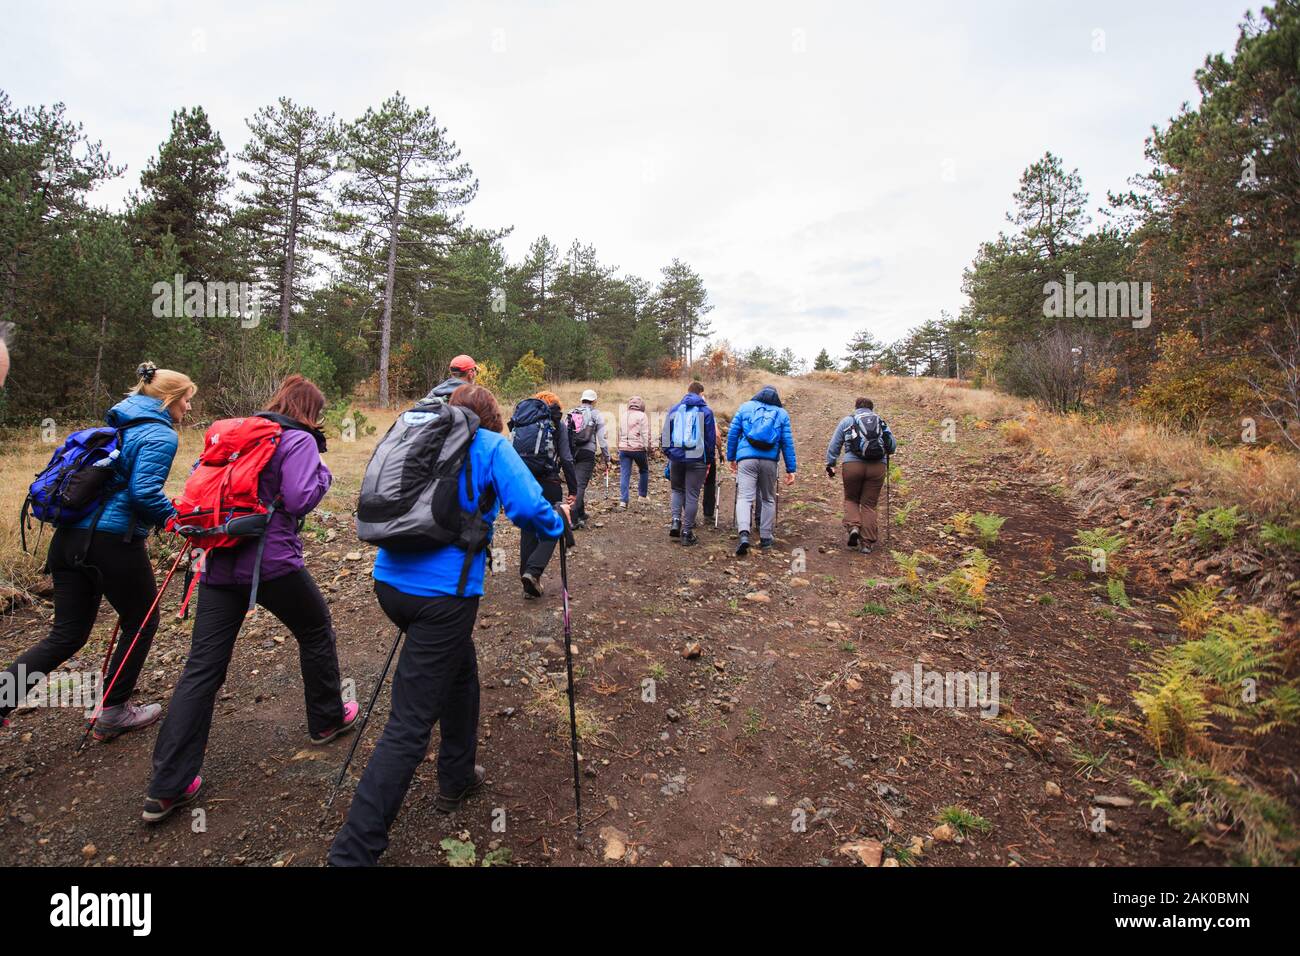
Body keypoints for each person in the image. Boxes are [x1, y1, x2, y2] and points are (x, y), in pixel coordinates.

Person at [328, 384, 568, 866]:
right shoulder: (490, 444)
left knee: (461, 673)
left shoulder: (419, 437)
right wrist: (559, 521)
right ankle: (353, 853)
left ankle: (456, 775)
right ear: (492, 417)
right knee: (408, 725)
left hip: (389, 584)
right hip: (443, 597)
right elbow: (525, 508)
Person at [143, 375, 355, 822]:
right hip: (273, 562)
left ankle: (167, 786)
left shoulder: (237, 434)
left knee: (202, 666)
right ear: (309, 411)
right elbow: (299, 499)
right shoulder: (297, 439)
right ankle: (327, 719)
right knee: (315, 629)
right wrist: (325, 474)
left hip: (218, 560)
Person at [1, 363, 194, 736]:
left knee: (66, 635)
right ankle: (114, 710)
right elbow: (143, 493)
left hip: (69, 539)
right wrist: (176, 520)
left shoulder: (118, 426)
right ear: (168, 399)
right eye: (186, 400)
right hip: (112, 544)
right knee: (142, 620)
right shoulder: (159, 434)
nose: (188, 408)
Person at [514, 389, 577, 599]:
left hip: (524, 483)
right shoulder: (557, 423)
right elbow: (567, 459)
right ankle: (533, 571)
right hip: (549, 482)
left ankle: (528, 582)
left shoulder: (522, 422)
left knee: (528, 528)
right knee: (555, 523)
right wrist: (573, 489)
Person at [727, 385, 797, 556]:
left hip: (746, 459)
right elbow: (787, 442)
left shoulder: (745, 407)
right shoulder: (781, 413)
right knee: (768, 498)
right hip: (769, 461)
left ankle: (744, 533)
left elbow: (733, 433)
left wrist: (731, 457)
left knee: (745, 497)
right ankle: (766, 537)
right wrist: (791, 469)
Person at [826, 397, 897, 553]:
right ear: (872, 408)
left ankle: (854, 527)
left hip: (852, 465)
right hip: (878, 466)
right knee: (869, 504)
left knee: (851, 499)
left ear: (856, 407)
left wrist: (831, 464)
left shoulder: (847, 421)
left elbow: (834, 444)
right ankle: (867, 543)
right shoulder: (881, 422)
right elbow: (892, 447)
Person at [662, 382, 717, 547]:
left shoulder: (674, 409)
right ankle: (687, 533)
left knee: (677, 490)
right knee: (692, 494)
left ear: (687, 392)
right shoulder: (706, 411)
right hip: (697, 457)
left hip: (677, 456)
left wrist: (669, 453)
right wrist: (709, 459)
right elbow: (710, 439)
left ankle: (675, 522)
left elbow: (665, 434)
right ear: (701, 393)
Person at [568, 389, 609, 529]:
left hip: (572, 453)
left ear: (582, 400)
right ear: (594, 401)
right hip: (587, 452)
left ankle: (581, 513)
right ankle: (573, 518)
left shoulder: (573, 412)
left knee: (576, 483)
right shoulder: (595, 414)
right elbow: (602, 438)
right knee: (580, 485)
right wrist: (606, 456)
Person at [617, 395, 652, 509]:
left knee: (625, 474)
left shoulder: (623, 415)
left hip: (623, 448)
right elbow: (645, 434)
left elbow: (619, 432)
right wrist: (648, 448)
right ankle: (642, 495)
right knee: (644, 470)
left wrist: (619, 445)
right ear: (641, 406)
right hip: (638, 449)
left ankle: (623, 501)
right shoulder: (642, 416)